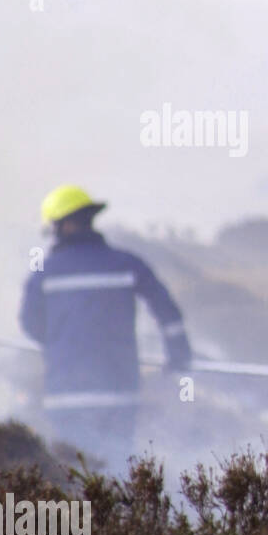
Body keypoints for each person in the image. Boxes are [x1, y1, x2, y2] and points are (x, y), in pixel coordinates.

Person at [19, 185, 193, 470]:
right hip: (119, 392)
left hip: (66, 395)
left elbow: (30, 323)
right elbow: (167, 311)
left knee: (73, 474)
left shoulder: (44, 272)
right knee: (117, 468)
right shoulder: (126, 263)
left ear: (65, 225)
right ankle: (125, 515)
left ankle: (82, 515)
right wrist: (179, 356)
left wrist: (59, 344)